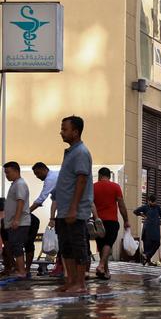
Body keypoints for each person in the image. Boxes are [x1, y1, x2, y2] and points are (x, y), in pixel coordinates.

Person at [53, 115, 94, 294]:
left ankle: (80, 283)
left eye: (65, 129)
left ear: (75, 132)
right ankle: (70, 281)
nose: (61, 132)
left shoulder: (81, 152)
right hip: (64, 211)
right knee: (66, 247)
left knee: (78, 246)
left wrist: (73, 207)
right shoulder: (71, 152)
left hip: (74, 211)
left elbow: (81, 181)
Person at [92, 167, 130, 279]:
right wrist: (126, 220)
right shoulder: (115, 187)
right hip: (111, 220)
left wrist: (95, 217)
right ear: (109, 176)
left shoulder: (93, 187)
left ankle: (105, 271)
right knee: (108, 244)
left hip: (97, 220)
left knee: (101, 245)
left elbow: (90, 203)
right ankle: (101, 265)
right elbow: (121, 205)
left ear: (99, 175)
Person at [30, 162, 62, 276]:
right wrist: (52, 218)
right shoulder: (56, 177)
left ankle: (63, 267)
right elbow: (54, 200)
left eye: (38, 173)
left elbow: (41, 198)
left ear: (44, 170)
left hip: (69, 209)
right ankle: (60, 266)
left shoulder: (50, 179)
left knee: (64, 241)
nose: (37, 177)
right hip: (63, 210)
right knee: (62, 240)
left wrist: (27, 212)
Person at [2, 162, 32, 279]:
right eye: (5, 173)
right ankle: (19, 269)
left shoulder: (20, 184)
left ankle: (22, 270)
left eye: (8, 172)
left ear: (16, 170)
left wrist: (16, 219)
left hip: (20, 222)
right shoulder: (14, 184)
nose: (7, 175)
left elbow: (20, 201)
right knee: (14, 246)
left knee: (17, 246)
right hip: (13, 222)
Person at [133, 195, 161, 265]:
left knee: (157, 243)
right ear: (149, 201)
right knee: (147, 247)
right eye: (152, 201)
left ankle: (147, 257)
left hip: (155, 230)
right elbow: (135, 211)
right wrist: (142, 215)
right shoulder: (145, 207)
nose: (154, 203)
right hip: (147, 230)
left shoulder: (157, 208)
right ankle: (147, 260)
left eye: (155, 202)